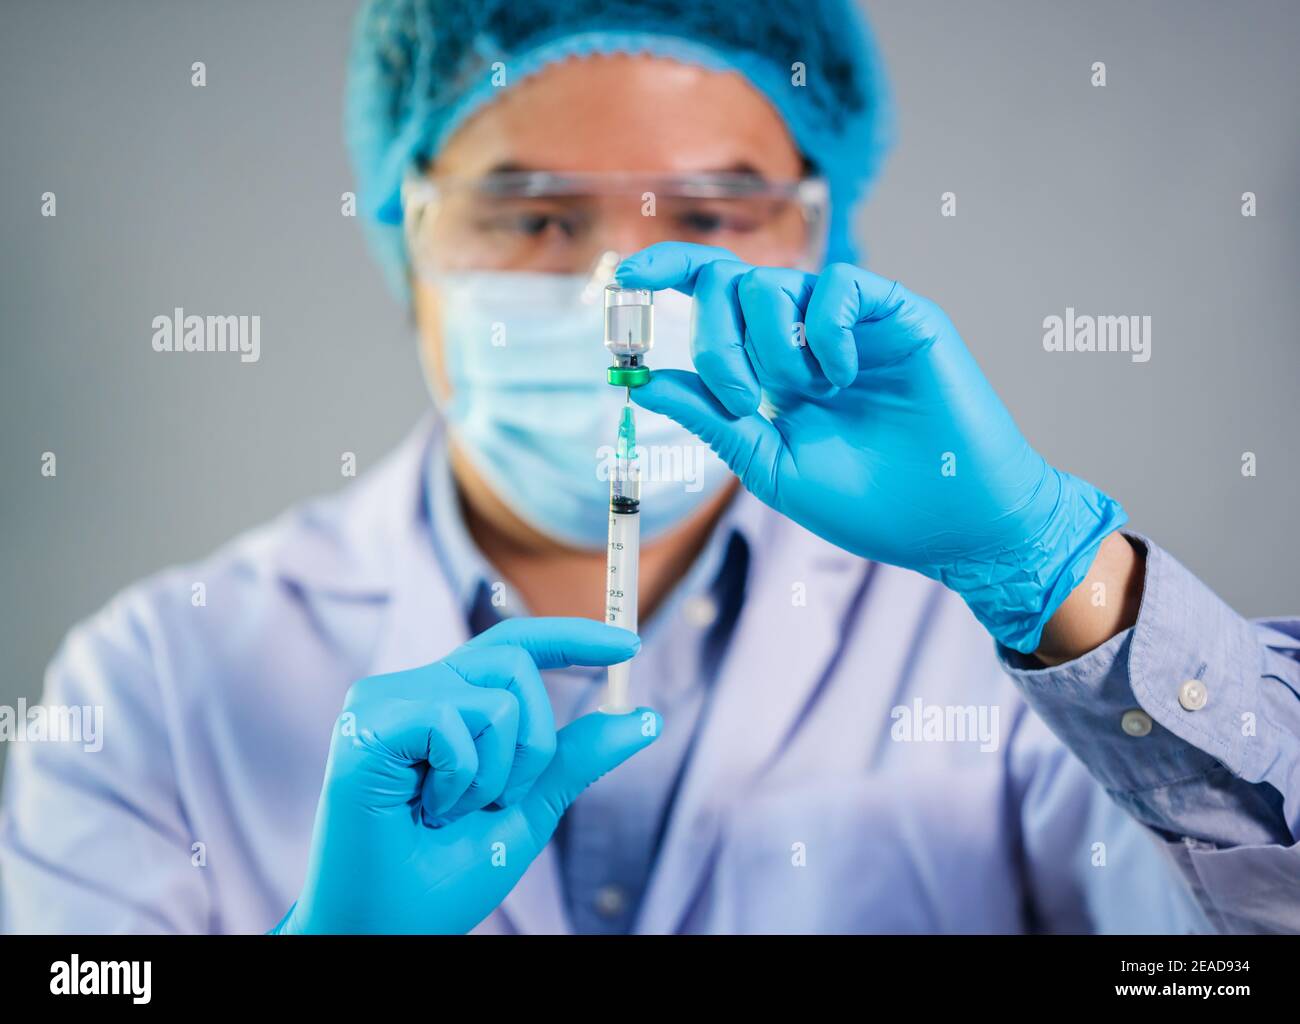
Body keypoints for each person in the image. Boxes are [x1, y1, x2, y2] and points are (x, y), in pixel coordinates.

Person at [2, 0, 1297, 935]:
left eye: (711, 216)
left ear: (819, 230)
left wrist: (1052, 570)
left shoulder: (1000, 648)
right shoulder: (155, 681)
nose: (618, 281)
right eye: (539, 214)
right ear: (411, 238)